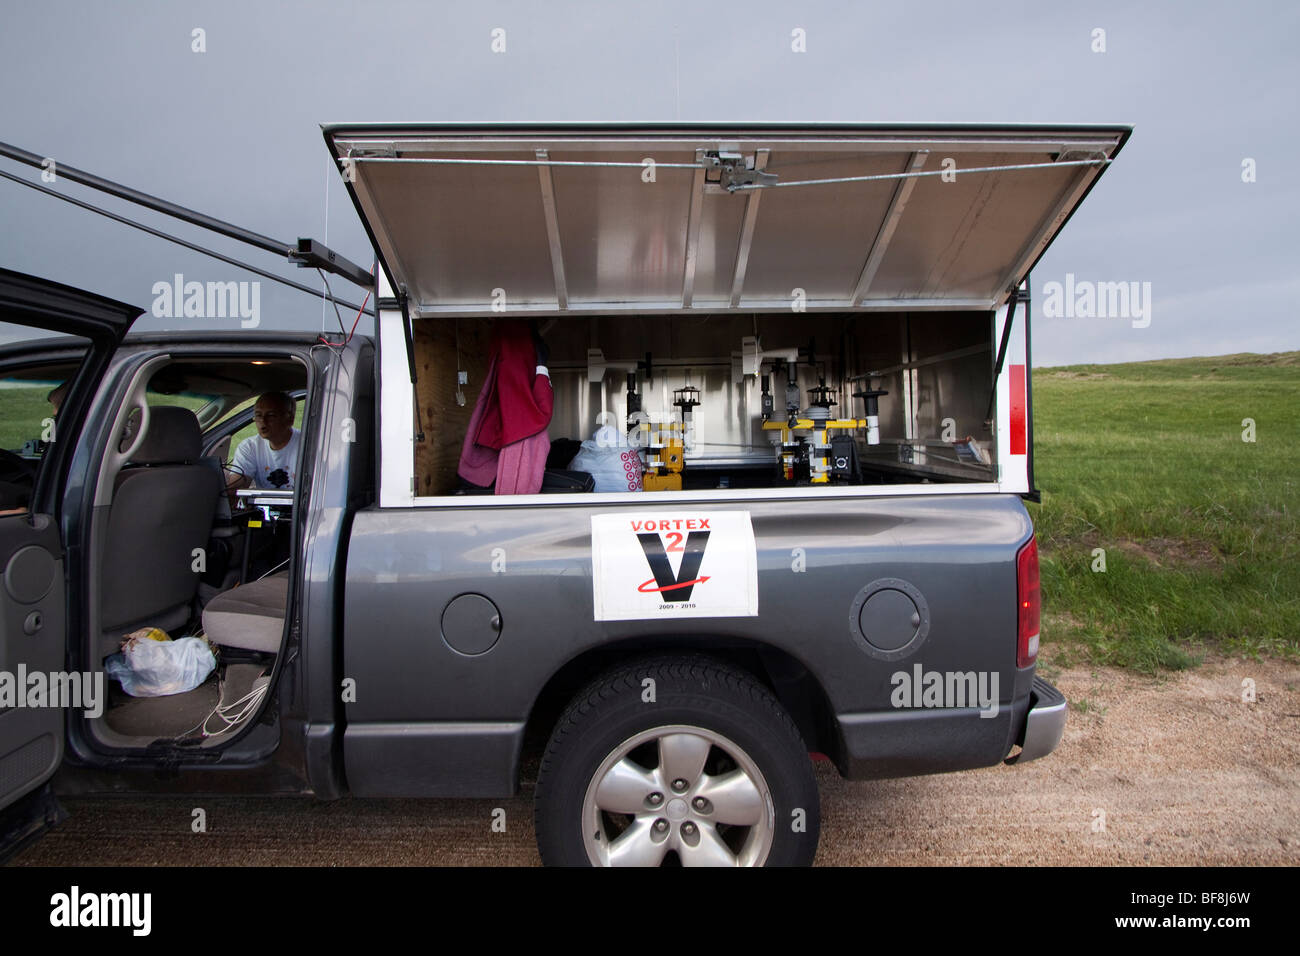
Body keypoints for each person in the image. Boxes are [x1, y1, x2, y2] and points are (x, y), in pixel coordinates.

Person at [226, 392, 299, 493]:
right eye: (258, 415)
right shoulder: (249, 447)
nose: (263, 422)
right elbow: (235, 489)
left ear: (290, 419)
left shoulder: (308, 445)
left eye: (271, 416)